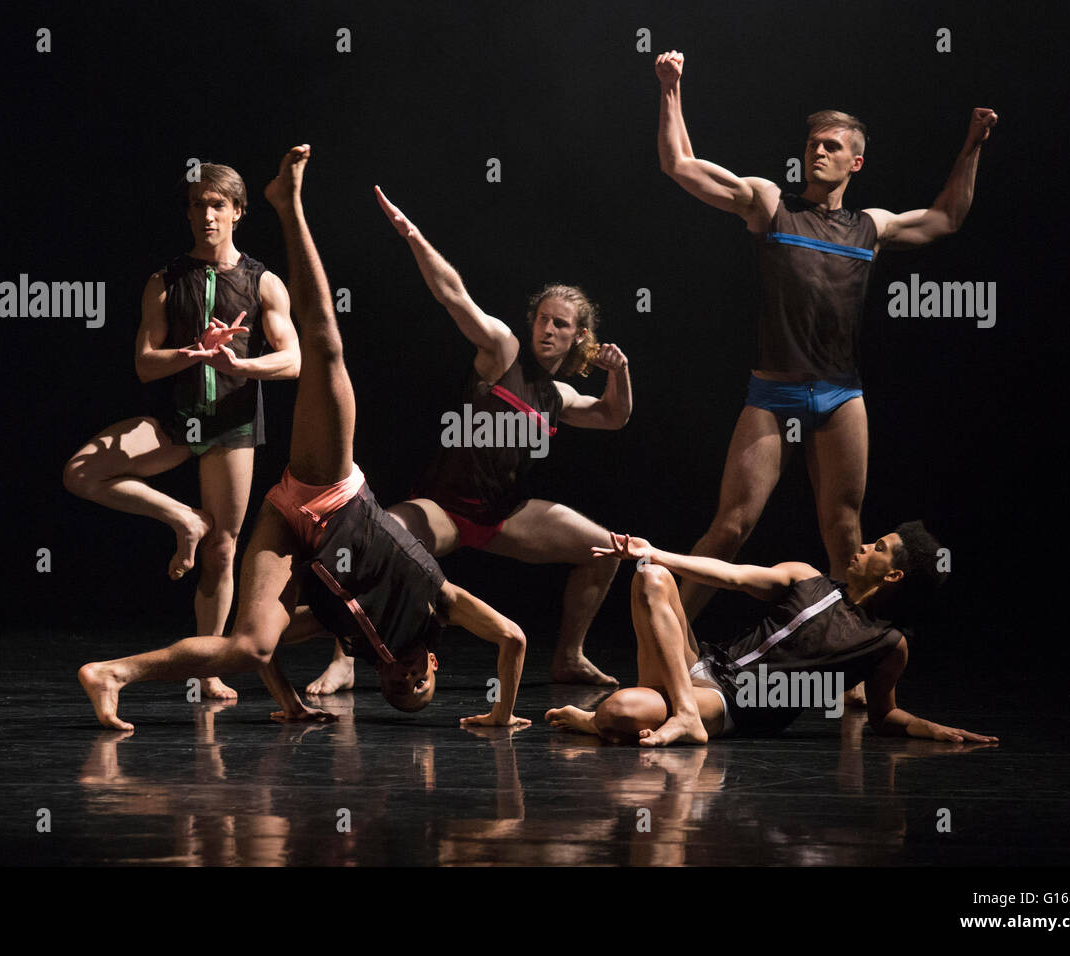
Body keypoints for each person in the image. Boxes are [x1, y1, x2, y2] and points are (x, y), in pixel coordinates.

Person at [79, 145, 529, 731]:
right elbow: (513, 638)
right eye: (421, 682)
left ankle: (110, 673)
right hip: (331, 490)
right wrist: (501, 711)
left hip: (287, 520)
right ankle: (290, 205)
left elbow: (279, 641)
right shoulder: (434, 608)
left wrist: (289, 703)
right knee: (326, 347)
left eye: (398, 688)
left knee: (251, 646)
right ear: (435, 665)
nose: (407, 677)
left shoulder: (351, 629)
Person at [653, 50, 998, 707]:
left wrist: (972, 144)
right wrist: (671, 90)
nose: (817, 151)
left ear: (855, 162)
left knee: (844, 532)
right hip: (773, 389)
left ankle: (856, 676)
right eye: (812, 143)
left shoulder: (869, 228)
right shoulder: (770, 206)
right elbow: (682, 167)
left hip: (840, 394)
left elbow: (945, 219)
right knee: (730, 527)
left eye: (832, 145)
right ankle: (671, 635)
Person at [304, 186, 633, 694]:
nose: (547, 328)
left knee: (607, 551)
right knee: (369, 543)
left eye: (560, 324)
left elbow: (614, 417)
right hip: (444, 508)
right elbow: (453, 295)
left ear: (577, 336)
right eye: (542, 318)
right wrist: (412, 235)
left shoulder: (560, 396)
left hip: (504, 516)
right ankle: (346, 658)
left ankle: (569, 657)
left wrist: (621, 372)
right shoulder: (503, 351)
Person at [63, 162, 301, 699]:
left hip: (233, 424)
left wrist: (242, 367)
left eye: (218, 204)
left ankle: (208, 668)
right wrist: (192, 353)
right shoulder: (165, 280)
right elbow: (146, 363)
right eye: (198, 204)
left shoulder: (263, 281)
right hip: (178, 422)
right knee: (81, 473)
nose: (207, 214)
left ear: (238, 212)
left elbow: (293, 360)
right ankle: (181, 519)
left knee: (222, 550)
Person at [546, 521, 997, 748]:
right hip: (698, 666)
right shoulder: (806, 577)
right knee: (650, 575)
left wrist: (928, 728)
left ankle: (632, 718)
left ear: (894, 575)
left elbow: (883, 716)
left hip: (730, 703)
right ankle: (677, 714)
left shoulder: (887, 644)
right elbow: (734, 575)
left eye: (877, 547)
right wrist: (653, 552)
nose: (862, 546)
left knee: (621, 709)